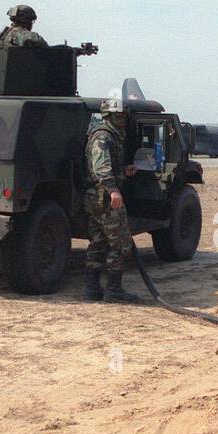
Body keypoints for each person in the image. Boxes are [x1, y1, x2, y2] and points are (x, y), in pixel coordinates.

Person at [84, 98, 140, 303]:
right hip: (106, 199)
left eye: (123, 116)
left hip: (97, 197)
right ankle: (113, 290)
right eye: (118, 116)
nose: (122, 120)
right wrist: (113, 190)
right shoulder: (103, 137)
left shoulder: (110, 136)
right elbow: (101, 168)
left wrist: (124, 172)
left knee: (98, 243)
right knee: (121, 244)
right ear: (109, 117)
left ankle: (92, 289)